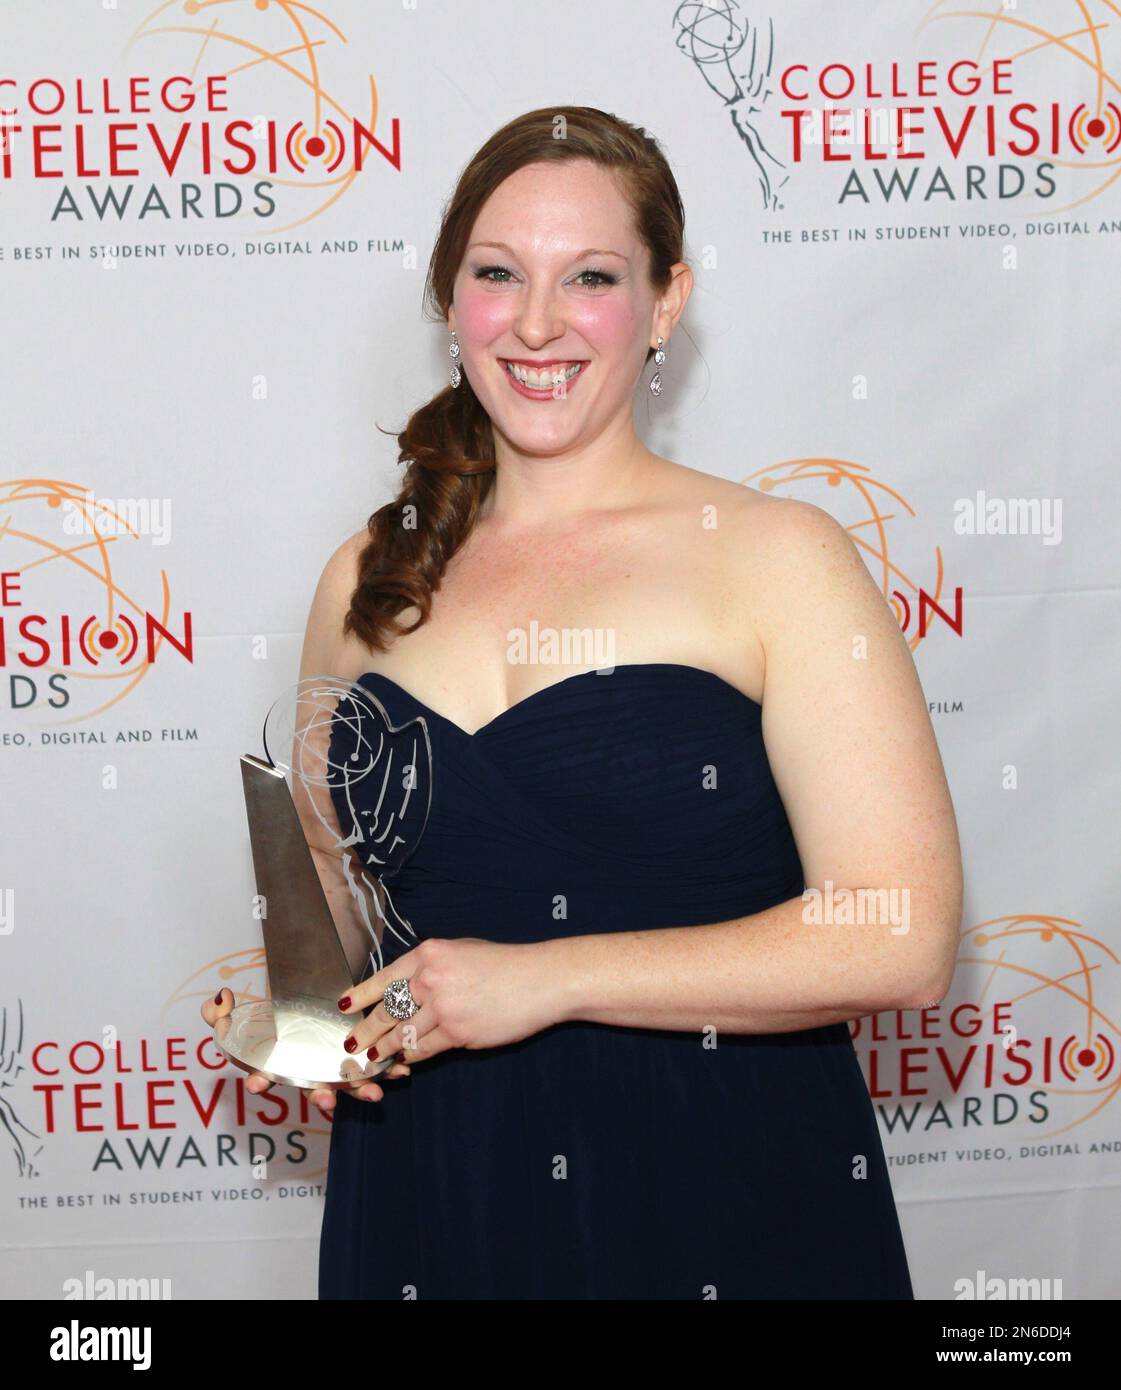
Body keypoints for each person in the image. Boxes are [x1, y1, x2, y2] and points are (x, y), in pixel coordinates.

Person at [203, 105, 962, 1299]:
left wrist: (544, 976)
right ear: (451, 302)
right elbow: (345, 931)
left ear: (666, 303)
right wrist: (303, 1025)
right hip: (433, 1182)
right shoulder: (365, 574)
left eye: (591, 276)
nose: (538, 322)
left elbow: (900, 937)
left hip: (712, 1171)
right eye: (497, 274)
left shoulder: (775, 554)